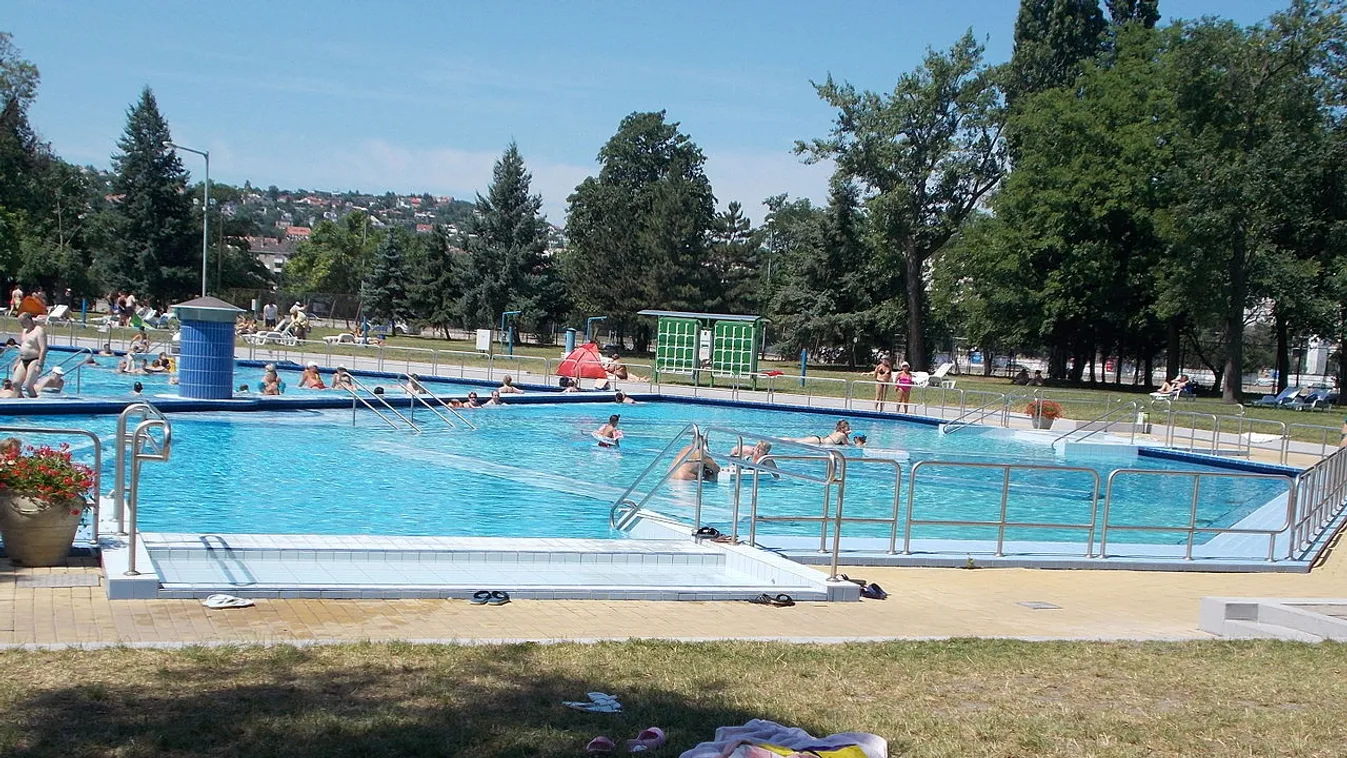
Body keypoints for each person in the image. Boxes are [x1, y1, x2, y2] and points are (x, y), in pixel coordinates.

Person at [12, 311, 46, 398]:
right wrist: (17, 362)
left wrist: (40, 364)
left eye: (22, 322)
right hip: (23, 360)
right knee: (16, 384)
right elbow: (23, 348)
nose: (21, 324)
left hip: (34, 360)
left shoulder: (39, 331)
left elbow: (43, 348)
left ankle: (34, 401)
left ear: (28, 320)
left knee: (28, 386)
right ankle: (19, 401)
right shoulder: (24, 331)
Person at [787, 420, 853, 446]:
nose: (849, 428)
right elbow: (848, 445)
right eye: (848, 427)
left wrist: (846, 433)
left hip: (817, 439)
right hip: (818, 442)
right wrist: (847, 434)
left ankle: (781, 439)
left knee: (795, 440)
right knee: (795, 441)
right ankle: (781, 440)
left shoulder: (836, 432)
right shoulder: (842, 435)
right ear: (842, 428)